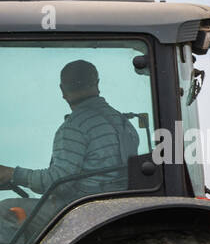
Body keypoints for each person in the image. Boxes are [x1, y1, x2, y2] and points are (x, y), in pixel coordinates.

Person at [0, 60, 138, 201]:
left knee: (5, 210)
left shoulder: (75, 127)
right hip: (116, 203)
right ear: (97, 84)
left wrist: (12, 174)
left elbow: (59, 184)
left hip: (84, 209)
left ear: (62, 90)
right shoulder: (123, 122)